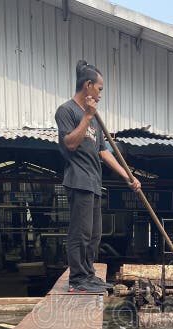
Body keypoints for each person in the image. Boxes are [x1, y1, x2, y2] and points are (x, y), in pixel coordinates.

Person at [55, 60, 141, 293]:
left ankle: (88, 274)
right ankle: (77, 279)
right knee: (80, 232)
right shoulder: (67, 111)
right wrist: (86, 117)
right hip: (78, 180)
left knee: (94, 234)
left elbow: (103, 151)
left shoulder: (94, 118)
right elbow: (70, 144)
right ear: (88, 85)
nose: (101, 94)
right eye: (99, 89)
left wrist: (127, 176)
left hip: (94, 182)